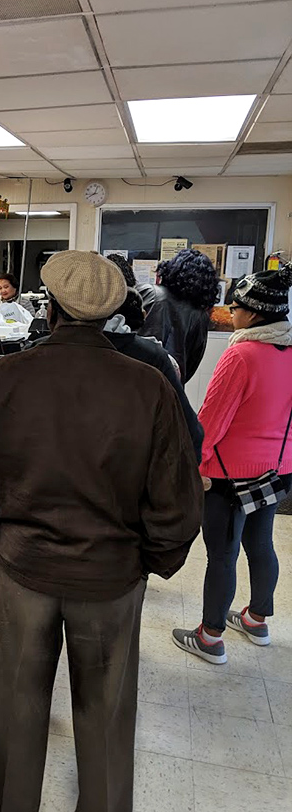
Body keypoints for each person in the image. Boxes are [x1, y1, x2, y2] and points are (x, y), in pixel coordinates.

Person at [0, 251, 203, 812]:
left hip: (23, 571)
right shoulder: (147, 387)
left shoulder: (5, 379)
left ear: (52, 305)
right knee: (107, 714)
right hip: (111, 580)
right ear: (113, 309)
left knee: (15, 707)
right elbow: (177, 503)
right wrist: (150, 562)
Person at [173, 263, 292, 664]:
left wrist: (198, 466)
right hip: (278, 467)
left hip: (228, 473)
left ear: (254, 314)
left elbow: (212, 418)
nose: (231, 311)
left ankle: (210, 637)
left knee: (222, 553)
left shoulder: (241, 355)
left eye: (237, 306)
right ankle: (257, 619)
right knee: (261, 543)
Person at [104, 286, 204, 462]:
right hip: (134, 468)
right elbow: (189, 430)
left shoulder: (45, 353)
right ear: (143, 316)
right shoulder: (155, 357)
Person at [138, 248, 220, 384]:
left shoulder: (149, 292)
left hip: (132, 378)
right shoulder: (200, 316)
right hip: (169, 387)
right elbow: (192, 363)